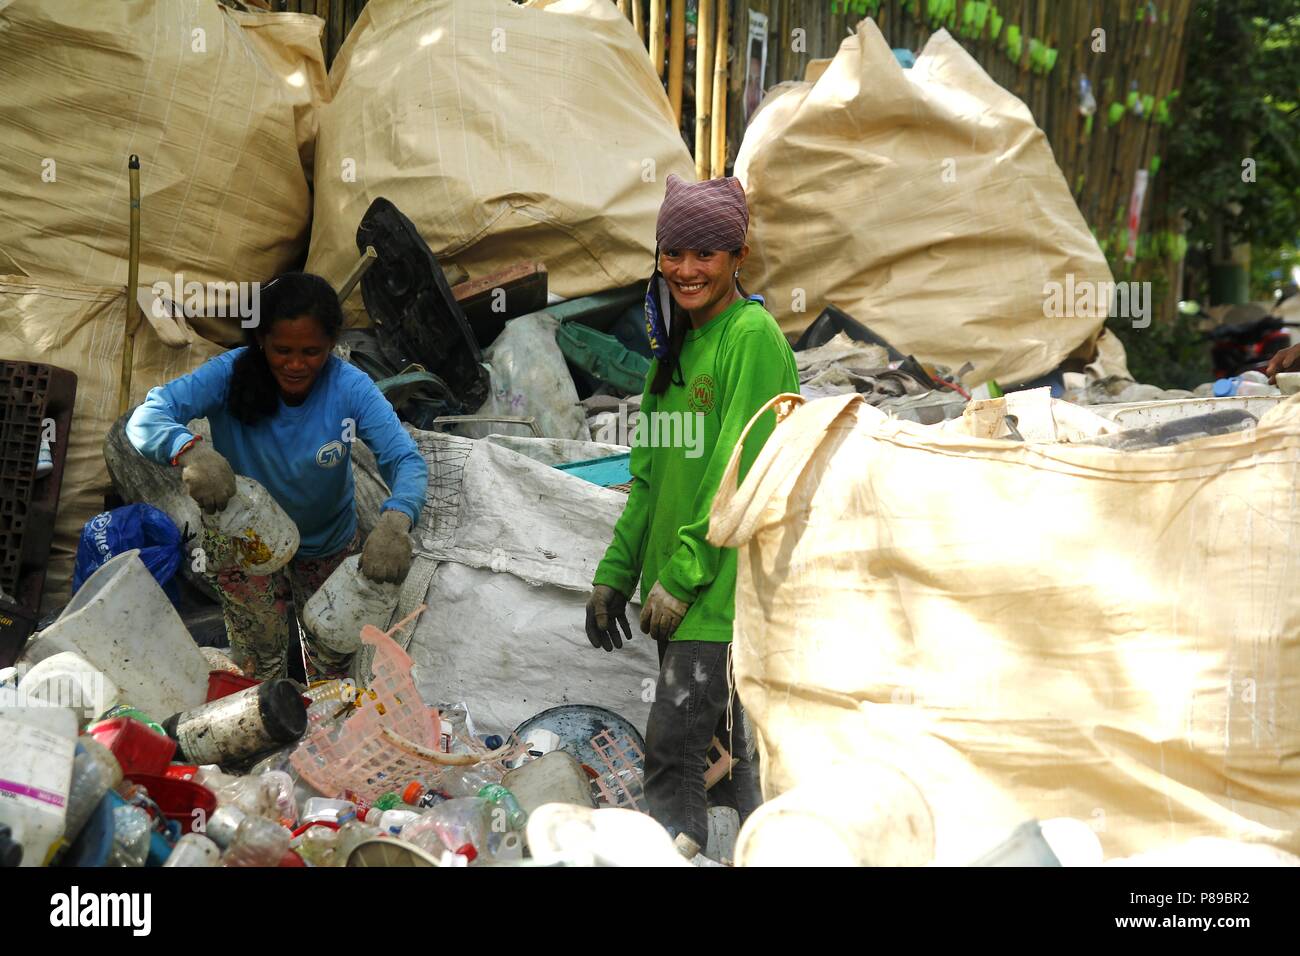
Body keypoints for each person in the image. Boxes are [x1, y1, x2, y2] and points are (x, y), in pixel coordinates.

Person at [585, 174, 799, 852]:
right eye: (672, 252)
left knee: (673, 762)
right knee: (734, 773)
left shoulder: (752, 337)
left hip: (723, 601)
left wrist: (683, 573)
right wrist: (615, 574)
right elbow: (646, 480)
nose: (685, 269)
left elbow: (738, 472)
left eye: (704, 254)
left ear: (739, 255)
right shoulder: (670, 356)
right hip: (683, 601)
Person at [126, 272, 428, 681]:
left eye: (312, 352)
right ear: (261, 340)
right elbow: (148, 416)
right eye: (282, 350)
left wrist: (397, 520)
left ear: (331, 345)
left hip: (325, 543)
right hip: (244, 541)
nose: (296, 364)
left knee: (331, 661)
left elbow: (403, 456)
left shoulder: (350, 388)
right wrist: (190, 450)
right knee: (257, 664)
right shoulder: (228, 375)